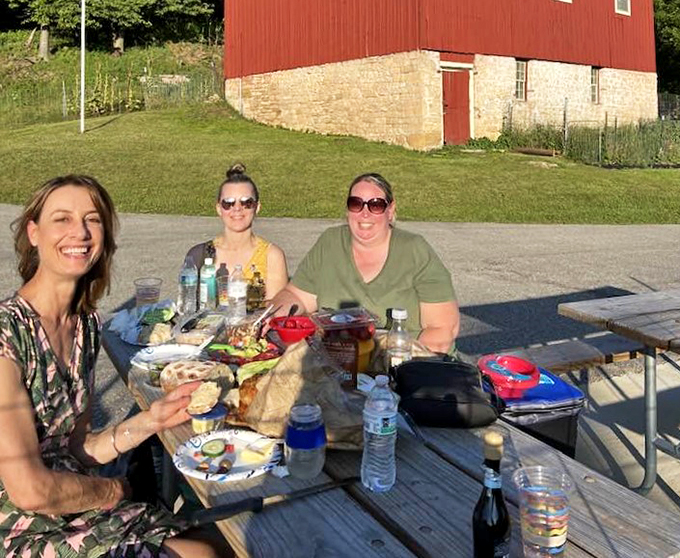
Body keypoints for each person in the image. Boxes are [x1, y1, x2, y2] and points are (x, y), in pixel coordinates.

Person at [0, 175, 220, 558]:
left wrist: (152, 420)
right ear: (33, 233)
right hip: (20, 528)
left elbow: (76, 447)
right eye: (62, 219)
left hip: (75, 504)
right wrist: (112, 490)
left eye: (92, 219)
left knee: (224, 540)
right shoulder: (7, 334)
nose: (80, 232)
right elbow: (28, 489)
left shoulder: (84, 326)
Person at [270, 172, 459, 353]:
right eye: (356, 203)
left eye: (375, 205)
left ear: (390, 210)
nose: (365, 213)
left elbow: (443, 331)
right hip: (339, 362)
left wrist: (396, 367)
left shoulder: (414, 250)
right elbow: (297, 297)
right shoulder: (330, 243)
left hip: (405, 365)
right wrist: (269, 316)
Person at [185, 163, 288, 301]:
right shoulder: (198, 255)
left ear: (257, 207)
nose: (237, 208)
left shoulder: (272, 256)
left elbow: (276, 312)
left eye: (246, 202)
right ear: (218, 208)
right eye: (228, 203)